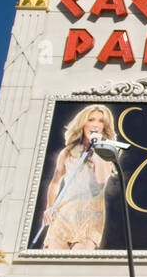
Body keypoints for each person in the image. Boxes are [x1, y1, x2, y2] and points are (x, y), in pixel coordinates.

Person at [40, 105, 118, 250]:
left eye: (101, 121)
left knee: (78, 263)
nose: (95, 124)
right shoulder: (67, 152)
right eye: (91, 119)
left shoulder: (107, 152)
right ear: (83, 123)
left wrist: (97, 149)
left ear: (104, 127)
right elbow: (55, 182)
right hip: (64, 212)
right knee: (53, 263)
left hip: (90, 215)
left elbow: (101, 180)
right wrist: (49, 207)